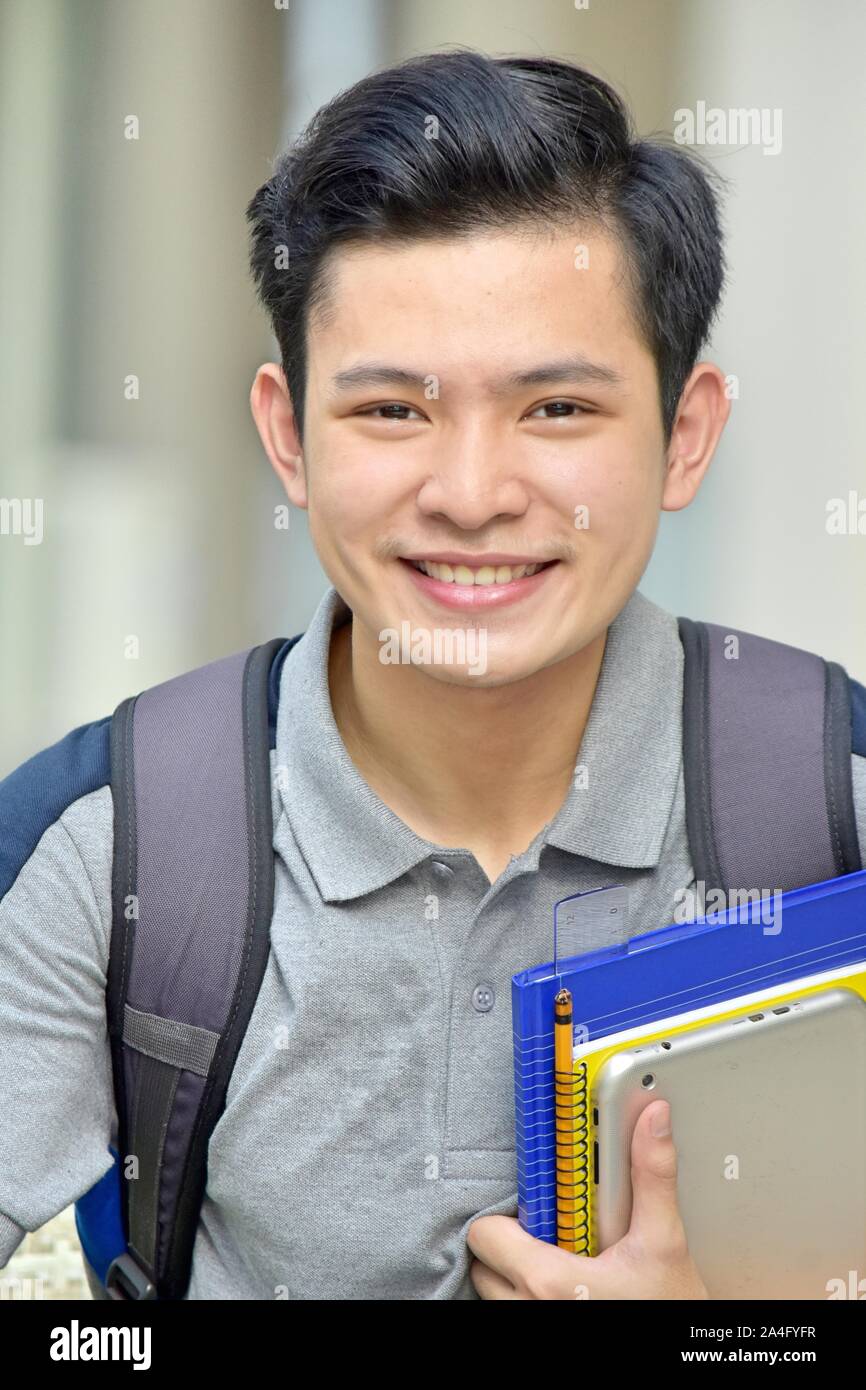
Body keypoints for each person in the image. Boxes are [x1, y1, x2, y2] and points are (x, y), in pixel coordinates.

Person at [2, 49, 863, 1300]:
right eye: (392, 412)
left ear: (683, 436)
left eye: (557, 408)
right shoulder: (103, 849)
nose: (470, 495)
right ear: (287, 436)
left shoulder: (832, 802)